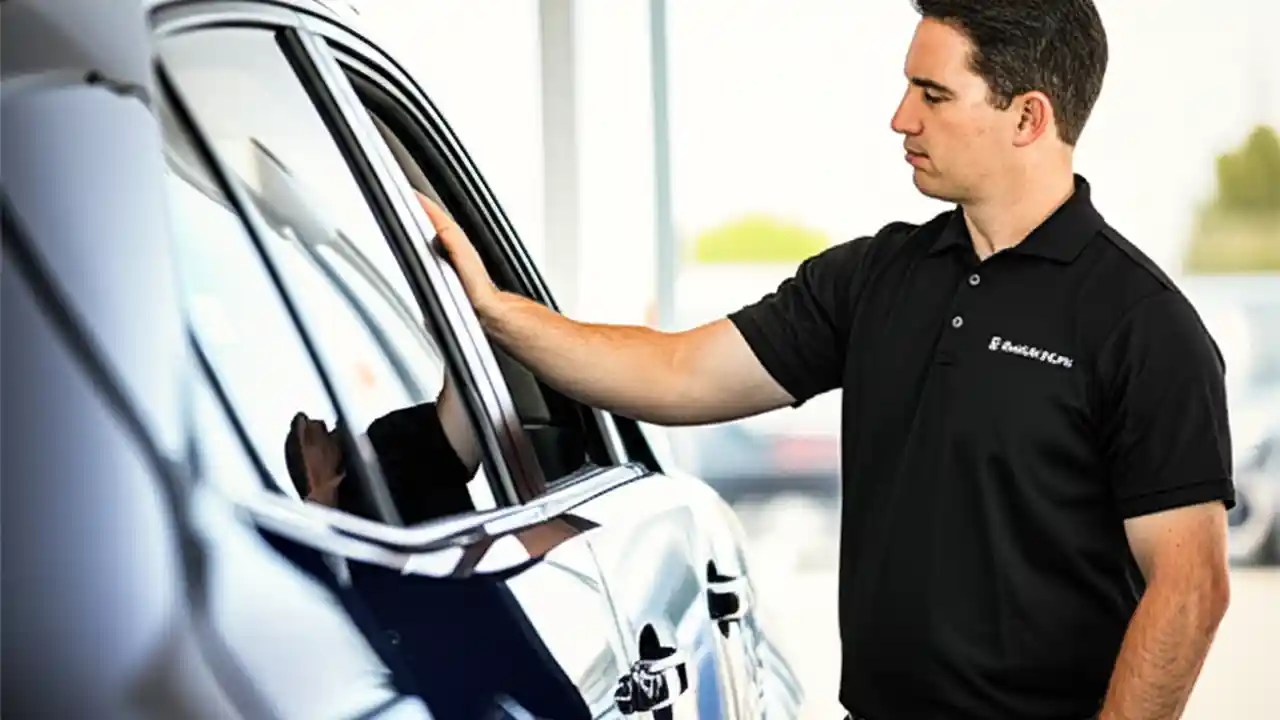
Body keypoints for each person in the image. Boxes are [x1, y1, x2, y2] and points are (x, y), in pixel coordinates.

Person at [415, 1, 1236, 717]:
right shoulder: (875, 278)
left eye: (934, 94)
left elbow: (1190, 587)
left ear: (1028, 118)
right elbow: (675, 374)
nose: (900, 118)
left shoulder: (1141, 324)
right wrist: (496, 312)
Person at [284, 370, 482, 524]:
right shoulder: (380, 451)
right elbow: (465, 418)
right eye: (310, 438)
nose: (323, 423)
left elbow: (459, 434)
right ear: (313, 496)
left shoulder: (383, 447)